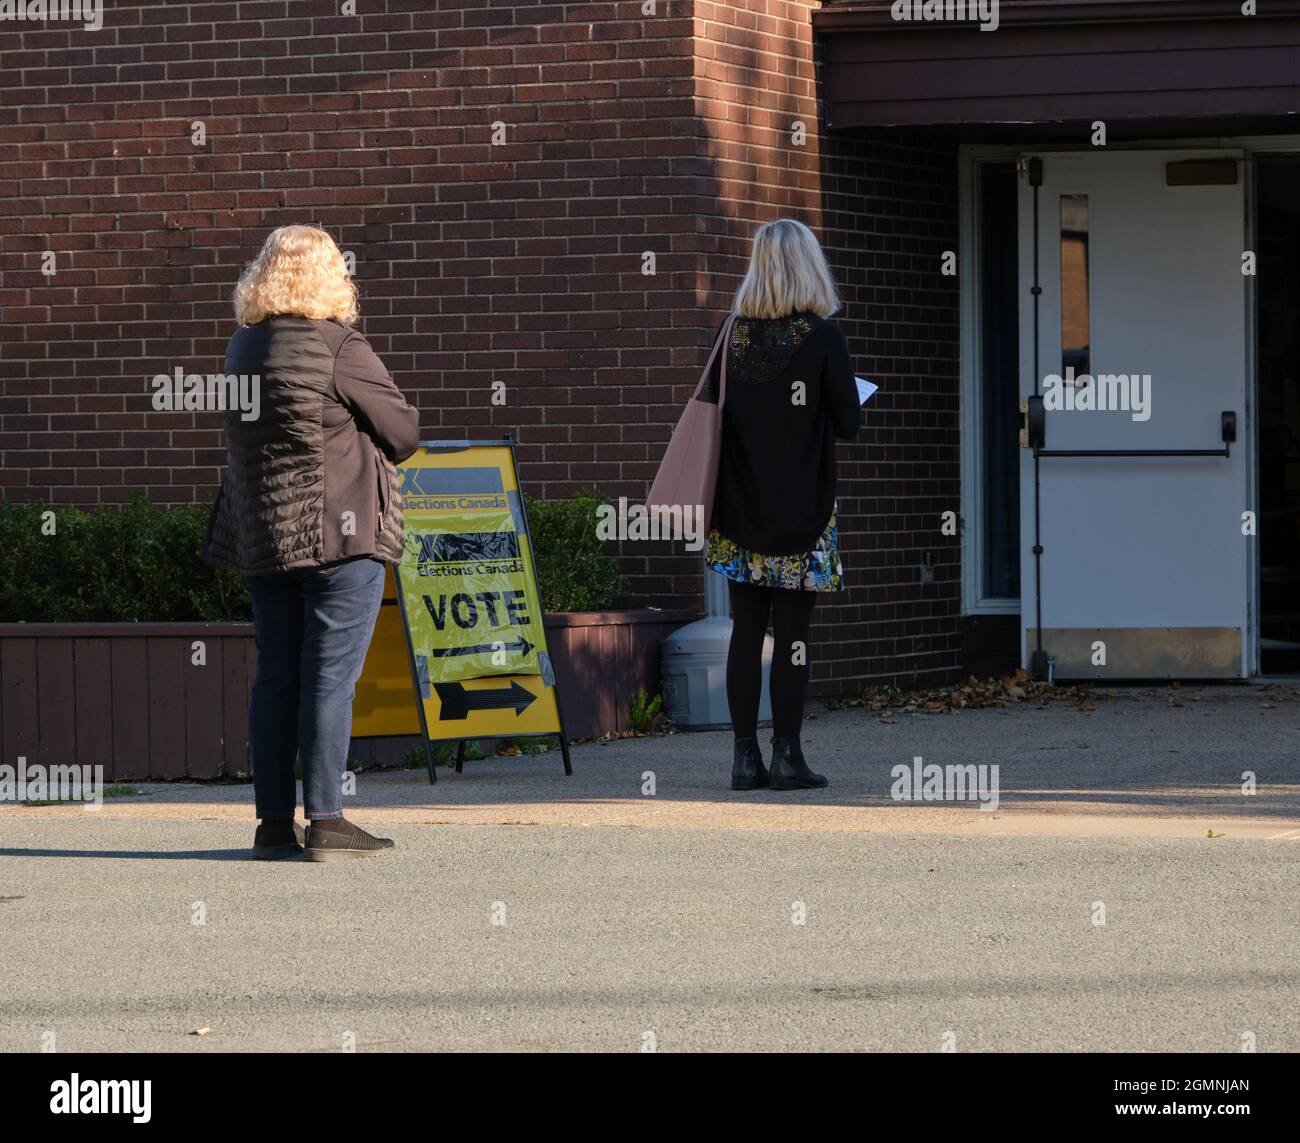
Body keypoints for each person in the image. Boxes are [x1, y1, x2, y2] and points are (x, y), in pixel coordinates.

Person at [202, 224, 420, 861]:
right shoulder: (338, 346)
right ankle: (326, 820)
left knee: (275, 679)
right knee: (329, 681)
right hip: (337, 535)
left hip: (264, 538)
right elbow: (403, 432)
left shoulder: (242, 348)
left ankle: (273, 827)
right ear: (333, 277)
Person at [703, 219, 863, 792]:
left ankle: (745, 759)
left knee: (746, 632)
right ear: (809, 267)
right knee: (792, 636)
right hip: (805, 513)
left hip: (738, 512)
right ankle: (788, 756)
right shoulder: (823, 338)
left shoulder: (730, 336)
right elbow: (849, 422)